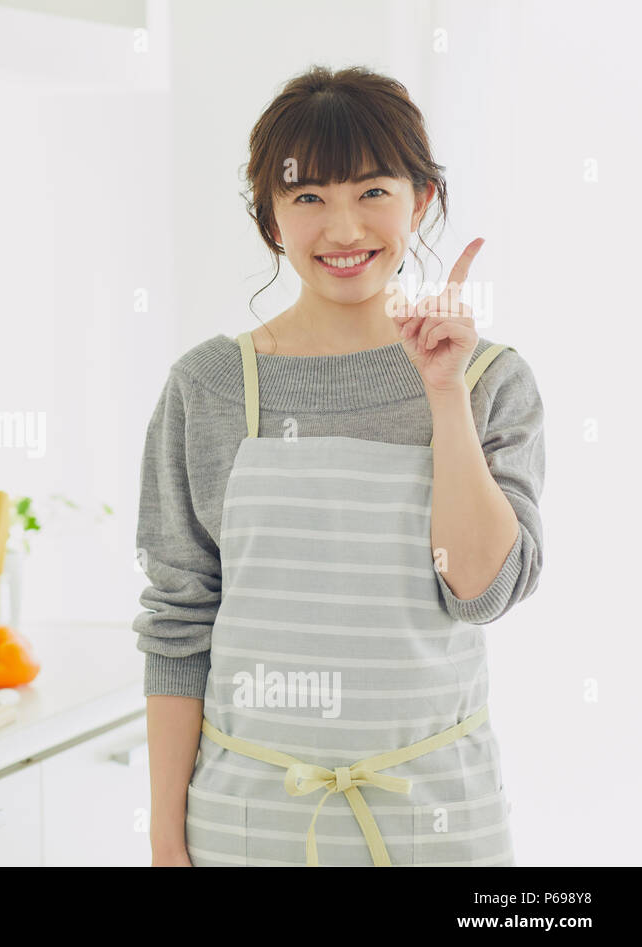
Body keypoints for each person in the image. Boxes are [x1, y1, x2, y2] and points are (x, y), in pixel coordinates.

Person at [134, 65, 545, 867]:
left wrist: (443, 394)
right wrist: (163, 839)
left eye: (373, 192)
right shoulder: (209, 386)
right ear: (270, 220)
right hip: (246, 822)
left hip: (437, 819)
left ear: (420, 199)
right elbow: (179, 623)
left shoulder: (489, 378)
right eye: (308, 197)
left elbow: (481, 590)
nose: (344, 228)